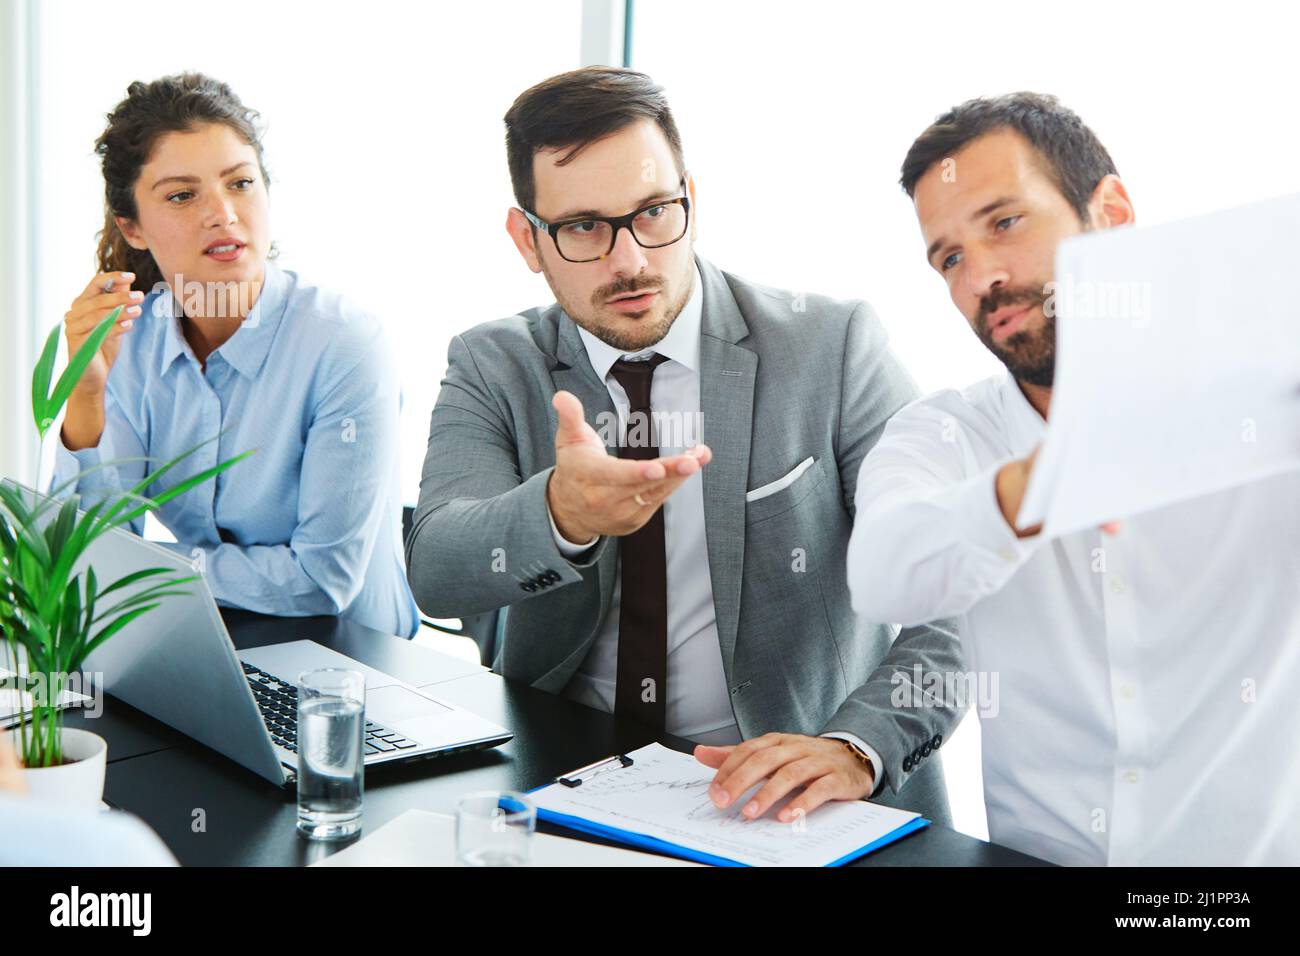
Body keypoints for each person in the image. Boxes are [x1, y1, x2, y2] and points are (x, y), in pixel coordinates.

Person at [406, 66, 962, 825]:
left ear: (691, 203)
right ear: (527, 241)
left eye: (654, 213)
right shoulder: (492, 363)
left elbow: (959, 594)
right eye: (582, 228)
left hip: (789, 802)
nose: (629, 259)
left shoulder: (832, 349)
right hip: (567, 780)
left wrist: (855, 746)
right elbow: (436, 568)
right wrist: (560, 513)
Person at [847, 91, 1300, 864]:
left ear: (1113, 215)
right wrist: (1044, 483)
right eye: (949, 257)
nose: (981, 277)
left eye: (1005, 222)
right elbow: (886, 576)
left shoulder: (1270, 409)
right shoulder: (944, 432)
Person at [52, 73, 417, 638]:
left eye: (240, 183)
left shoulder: (344, 344)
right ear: (133, 227)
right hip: (203, 641)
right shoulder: (131, 338)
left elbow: (321, 580)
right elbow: (75, 560)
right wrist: (86, 392)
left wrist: (145, 572)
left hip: (351, 663)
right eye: (182, 195)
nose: (222, 213)